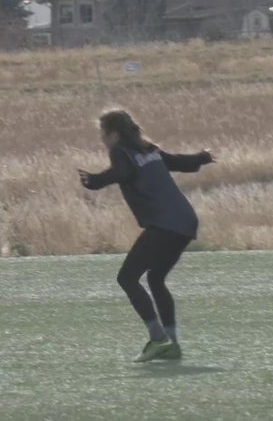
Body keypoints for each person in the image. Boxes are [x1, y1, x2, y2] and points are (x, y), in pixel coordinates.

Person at [77, 109, 214, 362]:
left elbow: (122, 173)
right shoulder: (148, 149)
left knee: (127, 278)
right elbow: (177, 162)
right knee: (156, 278)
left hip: (165, 223)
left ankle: (158, 338)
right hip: (185, 220)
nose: (101, 139)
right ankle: (171, 343)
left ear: (114, 133)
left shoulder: (120, 151)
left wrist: (95, 181)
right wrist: (202, 157)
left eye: (103, 133)